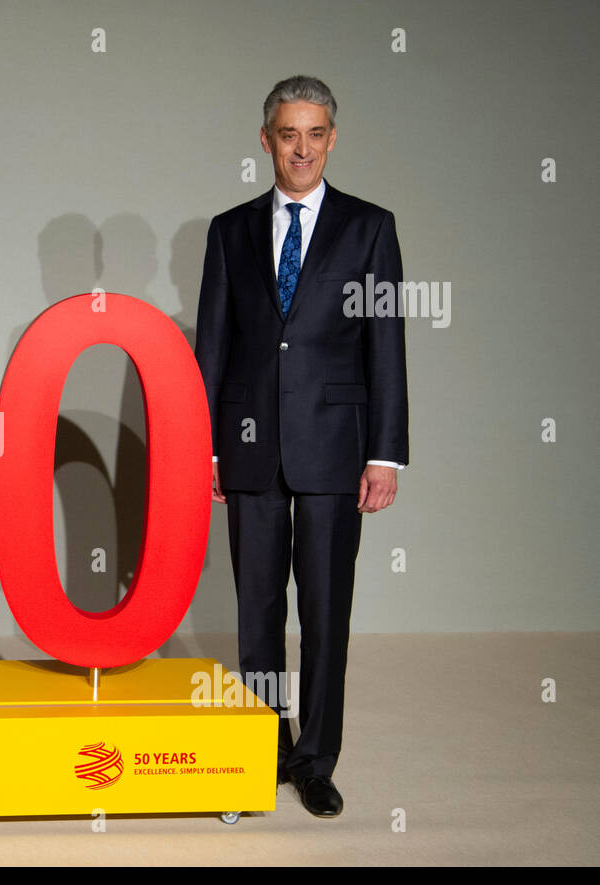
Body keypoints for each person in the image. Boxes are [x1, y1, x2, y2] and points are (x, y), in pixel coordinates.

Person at [194, 77, 407, 817]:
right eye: (289, 134)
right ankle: (260, 752)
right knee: (256, 615)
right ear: (266, 141)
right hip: (249, 449)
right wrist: (208, 449)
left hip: (334, 450)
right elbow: (212, 348)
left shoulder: (369, 227)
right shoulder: (231, 231)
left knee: (324, 612)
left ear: (332, 140)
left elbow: (388, 346)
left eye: (315, 133)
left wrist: (386, 453)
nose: (302, 148)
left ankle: (315, 761)